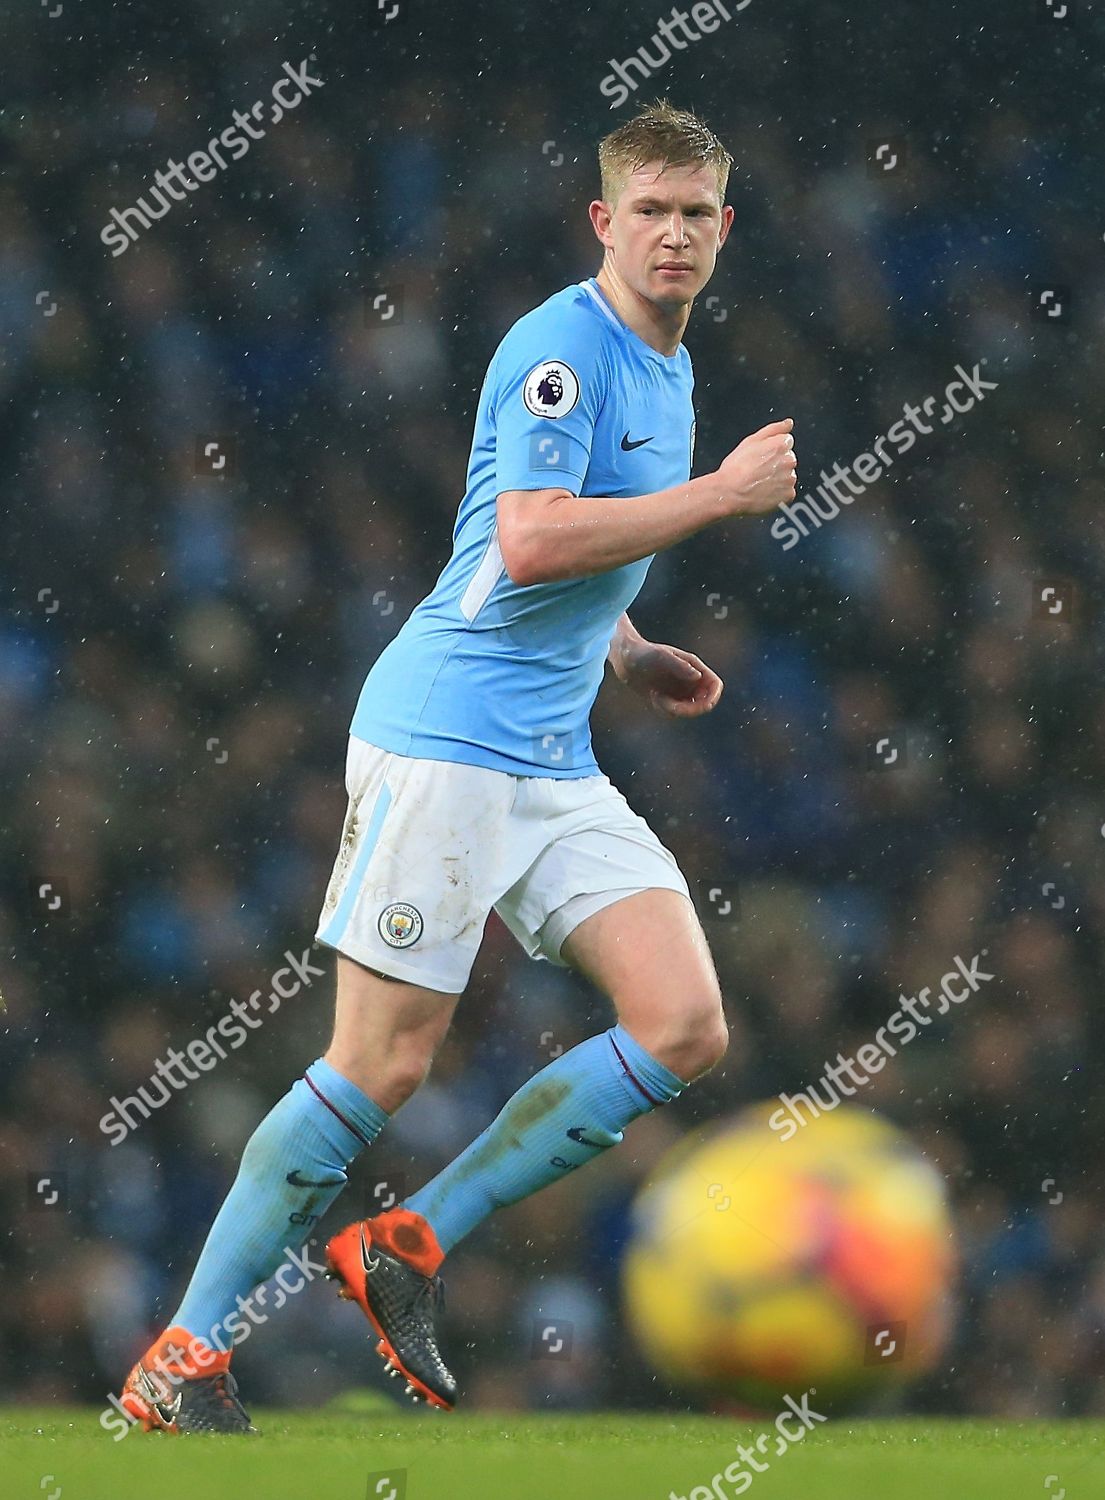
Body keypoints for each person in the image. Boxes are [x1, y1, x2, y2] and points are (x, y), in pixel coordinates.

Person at [118, 96, 798, 1432]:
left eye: (693, 214)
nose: (671, 237)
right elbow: (534, 540)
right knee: (381, 1066)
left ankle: (405, 1241)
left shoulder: (666, 363)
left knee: (682, 1024)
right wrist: (720, 495)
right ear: (604, 221)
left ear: (725, 227)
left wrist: (629, 649)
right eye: (646, 212)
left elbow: (529, 547)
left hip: (549, 750)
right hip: (445, 740)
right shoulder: (562, 347)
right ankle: (184, 1349)